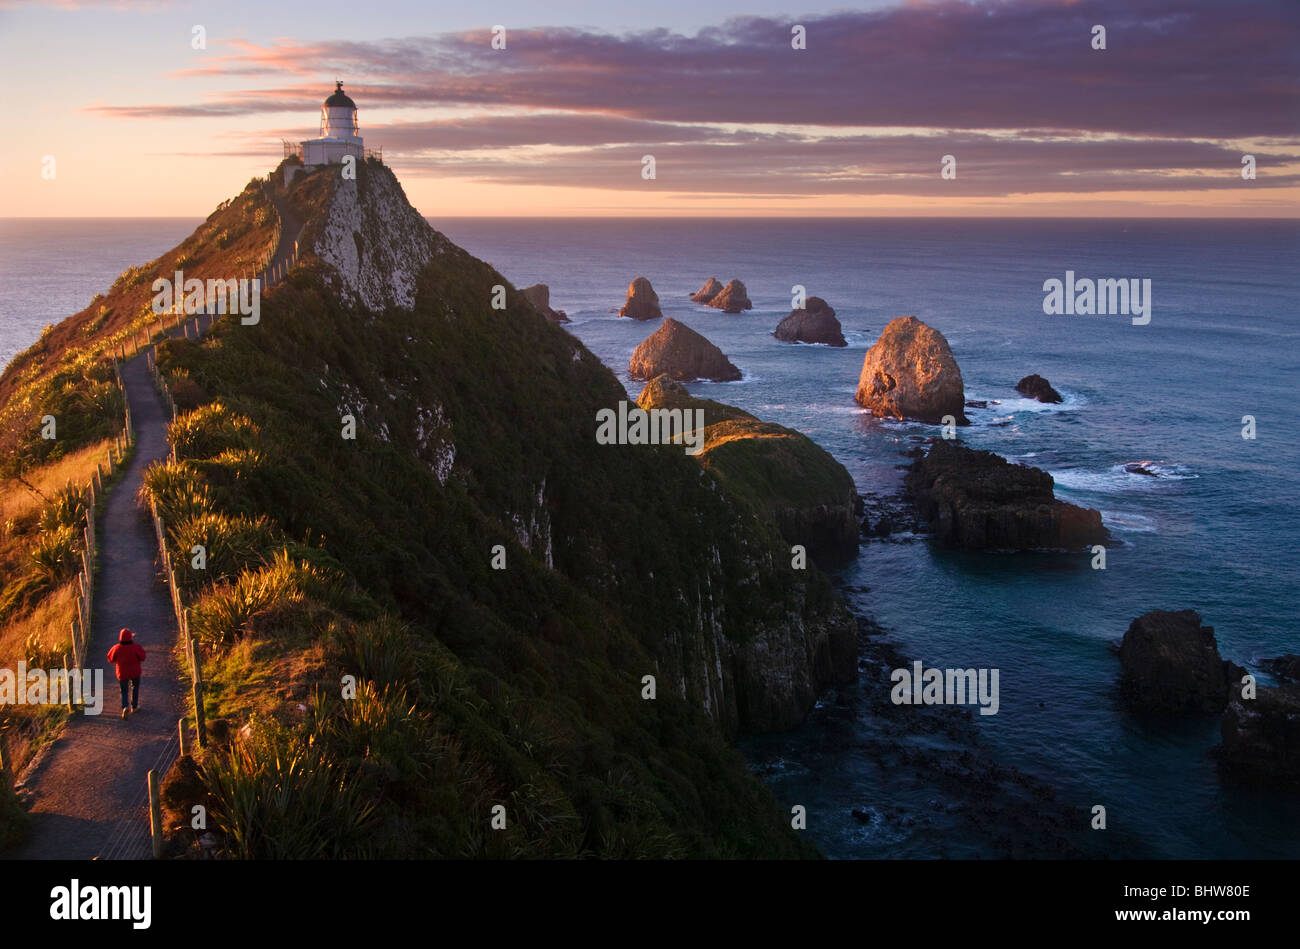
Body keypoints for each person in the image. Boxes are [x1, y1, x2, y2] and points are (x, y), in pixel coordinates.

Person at [106, 628, 146, 720]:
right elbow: (143, 657)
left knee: (124, 690)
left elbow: (110, 658)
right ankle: (134, 706)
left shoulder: (116, 648)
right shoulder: (135, 647)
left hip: (122, 672)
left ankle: (125, 707)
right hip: (135, 671)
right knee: (135, 688)